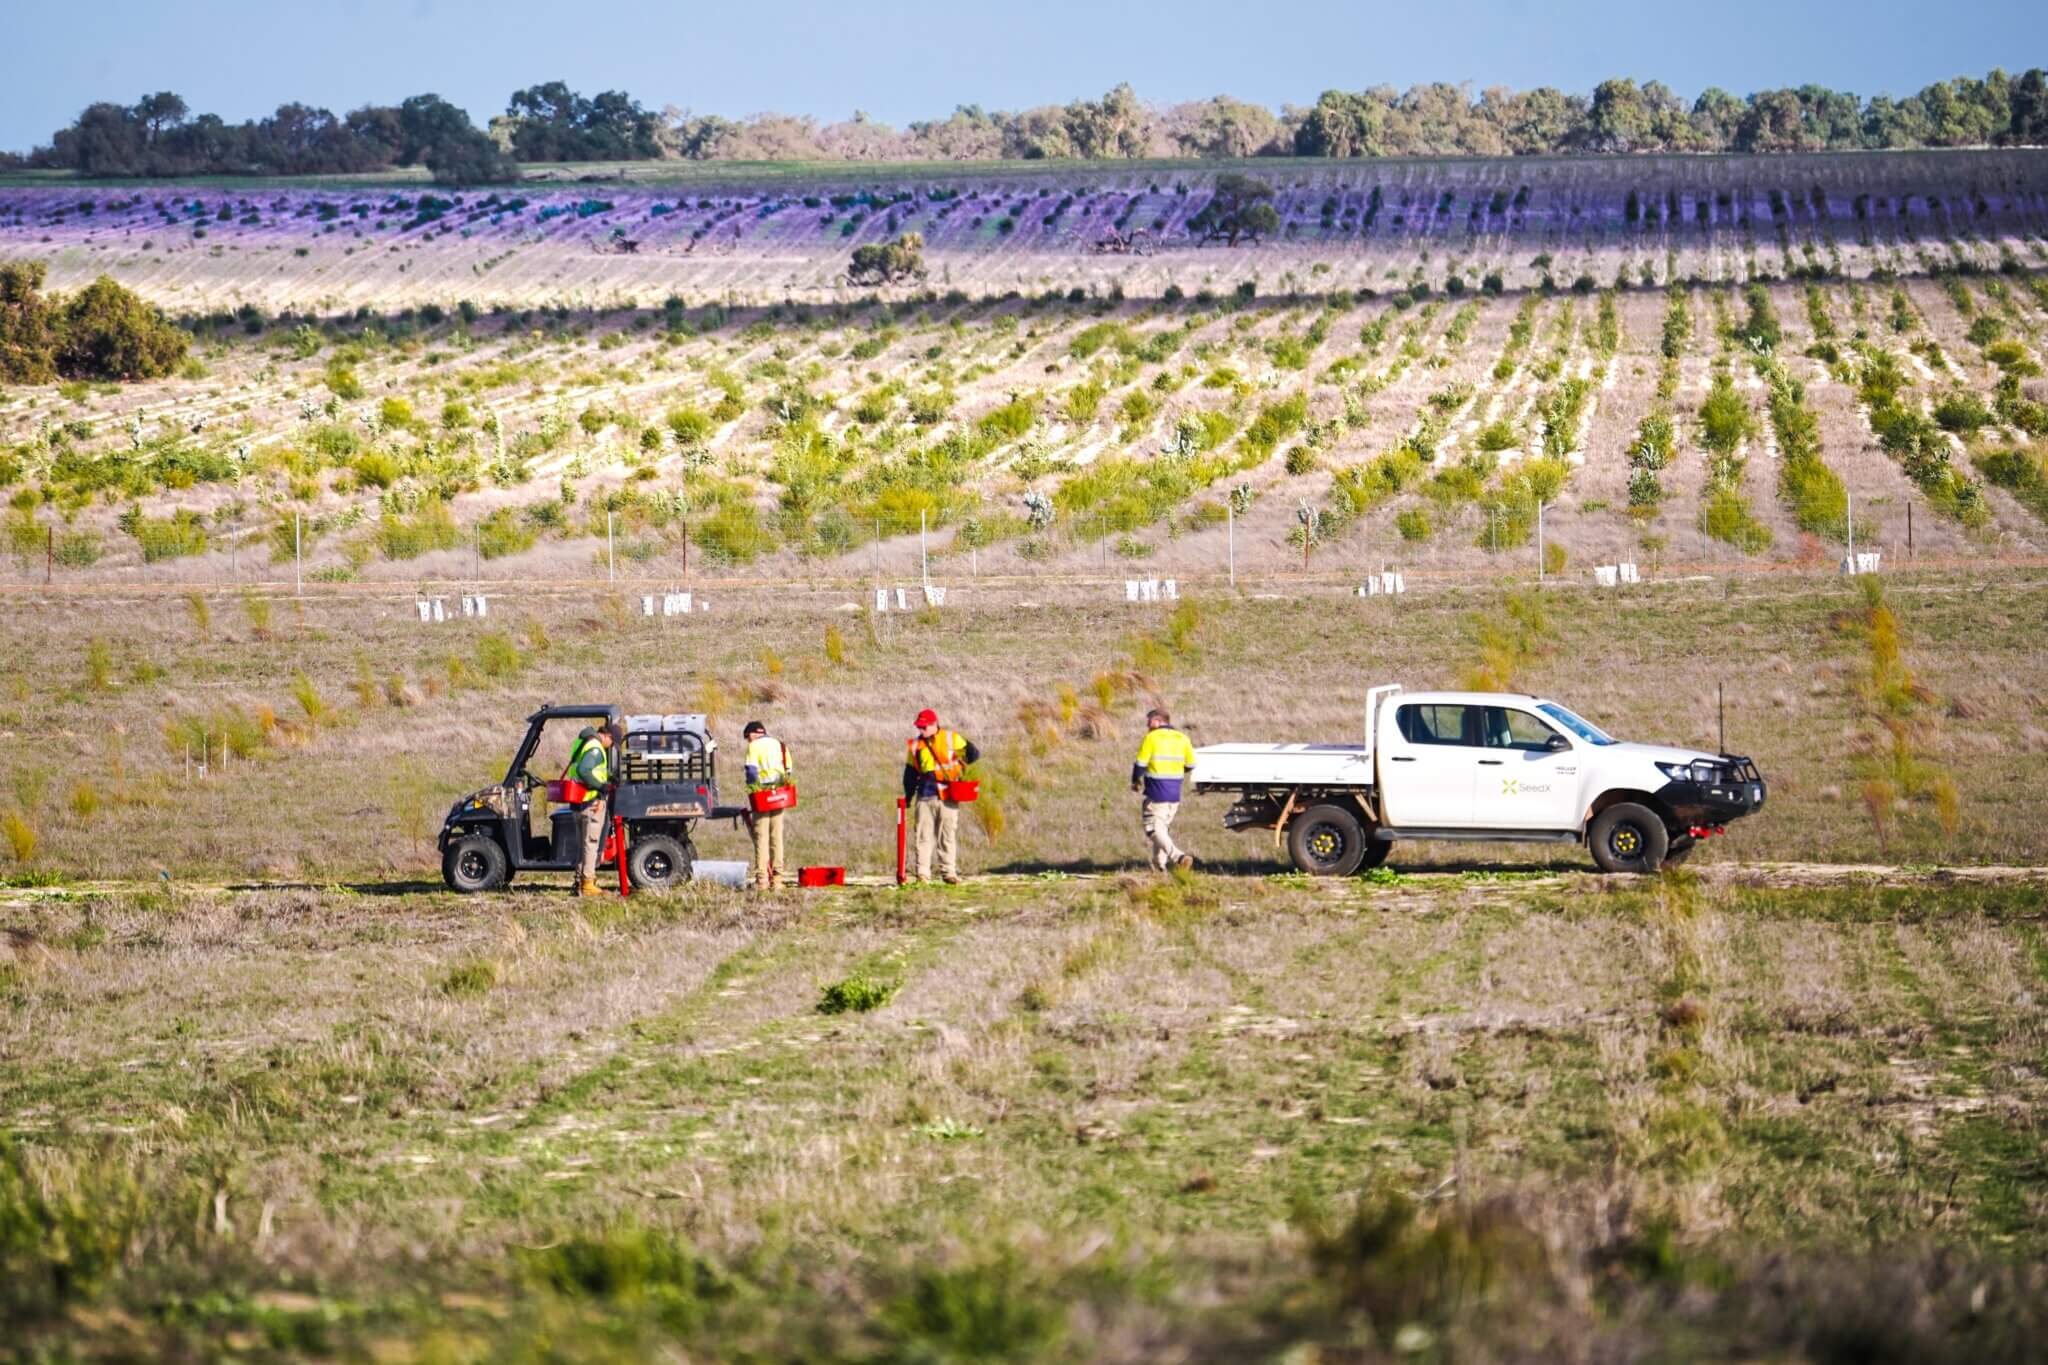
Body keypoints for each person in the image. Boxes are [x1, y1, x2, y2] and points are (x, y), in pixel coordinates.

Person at [902, 708, 979, 884]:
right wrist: (908, 796)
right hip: (925, 795)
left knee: (947, 835)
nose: (920, 730)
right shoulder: (915, 745)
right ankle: (922, 874)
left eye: (923, 727)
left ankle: (949, 873)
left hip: (949, 794)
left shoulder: (951, 738)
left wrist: (959, 767)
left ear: (934, 724)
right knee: (923, 836)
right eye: (919, 727)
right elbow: (910, 774)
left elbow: (974, 754)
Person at [1132, 707, 1197, 871]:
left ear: (1158, 721)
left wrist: (1135, 780)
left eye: (1149, 721)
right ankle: (1159, 867)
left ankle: (1179, 857)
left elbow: (1140, 764)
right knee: (1161, 830)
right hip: (1174, 793)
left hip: (1155, 793)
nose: (1147, 724)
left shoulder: (1151, 738)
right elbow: (1191, 765)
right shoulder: (1183, 738)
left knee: (1153, 829)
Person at [565, 724, 615, 897]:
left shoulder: (582, 742)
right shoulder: (595, 747)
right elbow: (584, 770)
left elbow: (589, 769)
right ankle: (588, 884)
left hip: (578, 803)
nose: (611, 745)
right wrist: (602, 786)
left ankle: (579, 882)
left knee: (582, 844)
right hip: (590, 803)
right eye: (612, 741)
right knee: (591, 843)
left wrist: (608, 775)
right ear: (606, 736)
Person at [742, 719, 792, 891]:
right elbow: (788, 771)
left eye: (747, 737)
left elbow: (751, 771)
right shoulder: (780, 745)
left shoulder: (754, 746)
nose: (748, 741)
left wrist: (753, 789)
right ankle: (778, 880)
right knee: (776, 836)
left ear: (753, 734)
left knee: (761, 837)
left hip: (762, 796)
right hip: (780, 795)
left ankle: (762, 880)